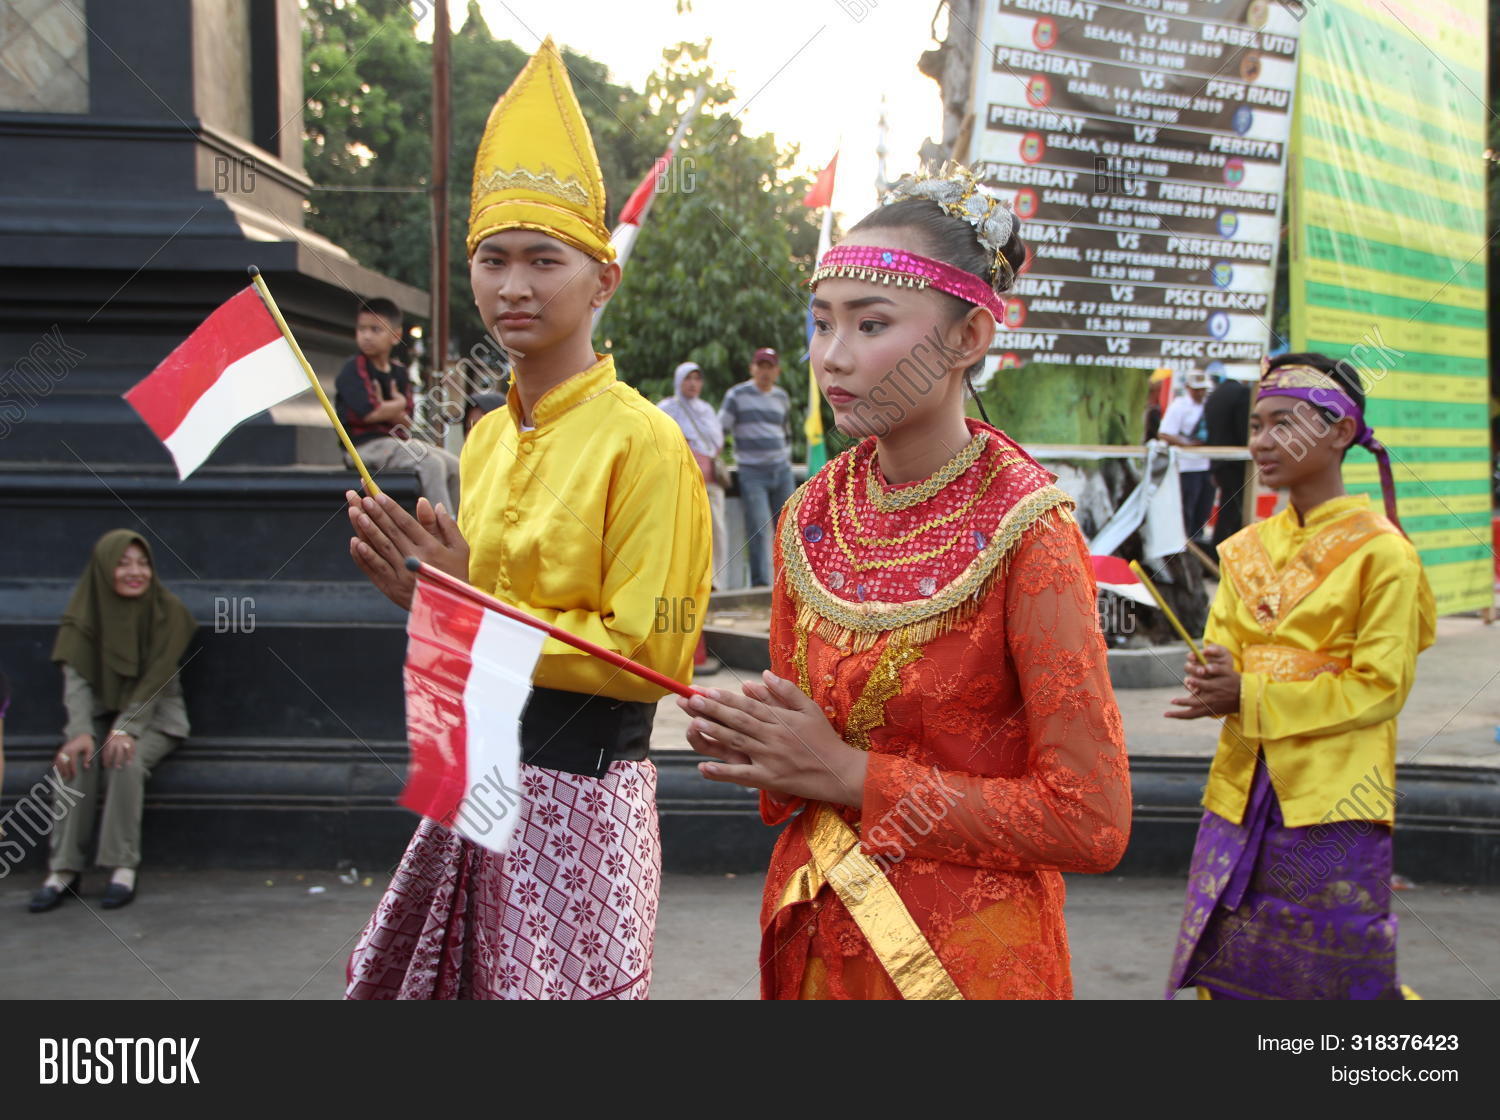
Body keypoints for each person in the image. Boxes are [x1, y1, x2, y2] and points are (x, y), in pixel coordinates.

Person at [680, 166, 1131, 999]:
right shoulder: (811, 512)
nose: (833, 357)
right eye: (821, 324)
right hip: (815, 932)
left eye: (871, 323)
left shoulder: (1028, 530)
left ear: (968, 340)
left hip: (963, 963)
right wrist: (765, 749)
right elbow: (804, 759)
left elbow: (1090, 818)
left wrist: (854, 775)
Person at [342, 38, 710, 1000]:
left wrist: (465, 607)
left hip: (583, 794)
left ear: (603, 281)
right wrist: (428, 607)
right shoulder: (490, 437)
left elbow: (656, 656)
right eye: (493, 259)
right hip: (473, 776)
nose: (514, 286)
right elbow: (464, 642)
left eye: (545, 260)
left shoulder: (647, 444)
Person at [1163, 352, 1435, 1000]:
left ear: (1340, 433)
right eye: (1257, 425)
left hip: (1333, 800)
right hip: (1238, 789)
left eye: (1285, 424)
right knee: (1229, 968)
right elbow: (1223, 647)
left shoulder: (1383, 554)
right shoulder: (1246, 549)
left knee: (1333, 977)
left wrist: (1248, 690)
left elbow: (1381, 686)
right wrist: (1213, 679)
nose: (1262, 441)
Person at [30, 531, 196, 912]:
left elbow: (157, 682)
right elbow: (76, 682)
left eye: (142, 564)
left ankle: (122, 866)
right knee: (76, 760)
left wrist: (126, 729)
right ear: (104, 569)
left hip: (156, 719)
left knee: (125, 759)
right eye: (123, 564)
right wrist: (80, 733)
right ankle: (63, 870)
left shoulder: (169, 614)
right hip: (101, 718)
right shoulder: (84, 616)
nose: (135, 572)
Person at [334, 297, 462, 513]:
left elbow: (407, 419)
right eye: (362, 329)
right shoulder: (353, 368)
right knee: (431, 464)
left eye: (375, 329)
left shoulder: (398, 371)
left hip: (398, 443)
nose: (366, 336)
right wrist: (398, 403)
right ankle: (441, 532)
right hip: (364, 447)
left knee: (454, 465)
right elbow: (369, 413)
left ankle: (461, 526)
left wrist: (390, 408)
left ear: (396, 335)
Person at [660, 360, 726, 674]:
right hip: (675, 486)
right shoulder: (666, 409)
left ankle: (715, 582)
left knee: (713, 536)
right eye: (689, 378)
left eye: (698, 379)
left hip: (707, 483)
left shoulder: (707, 410)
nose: (694, 384)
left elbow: (717, 442)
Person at [720, 346, 794, 587]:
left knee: (788, 529)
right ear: (752, 368)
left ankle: (789, 584)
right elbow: (720, 431)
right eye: (760, 366)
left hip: (781, 470)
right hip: (752, 472)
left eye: (769, 367)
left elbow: (786, 433)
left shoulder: (781, 397)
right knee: (759, 530)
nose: (765, 372)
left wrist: (786, 457)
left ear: (777, 371)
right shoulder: (736, 395)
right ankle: (761, 586)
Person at [1157, 368, 1213, 542]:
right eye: (1197, 389)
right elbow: (1164, 433)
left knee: (1204, 509)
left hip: (1206, 464)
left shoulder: (1208, 405)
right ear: (1188, 388)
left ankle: (1198, 540)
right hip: (1187, 467)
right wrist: (1186, 444)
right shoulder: (1179, 406)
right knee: (1186, 509)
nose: (1200, 393)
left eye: (1203, 389)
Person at [1204, 373, 1252, 553]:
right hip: (1236, 462)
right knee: (1233, 512)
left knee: (1228, 508)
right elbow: (1243, 429)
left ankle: (1219, 550)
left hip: (1219, 460)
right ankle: (1225, 553)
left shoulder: (1216, 394)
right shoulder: (1242, 393)